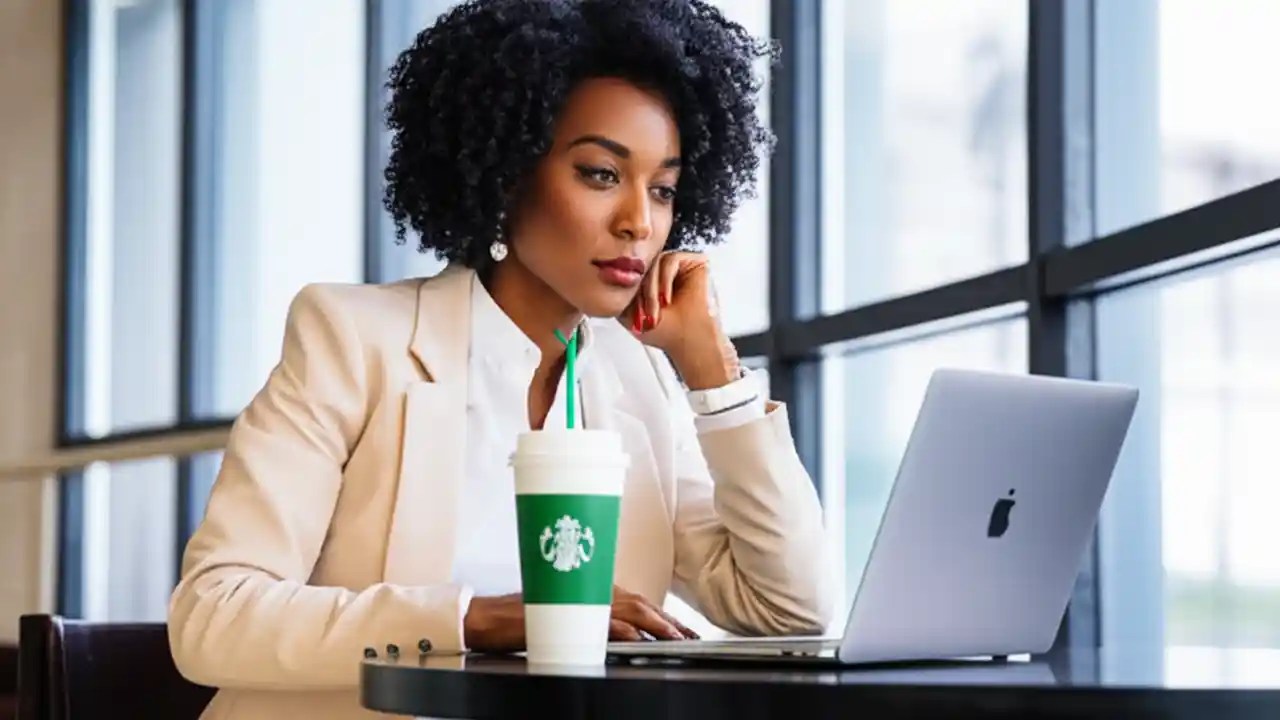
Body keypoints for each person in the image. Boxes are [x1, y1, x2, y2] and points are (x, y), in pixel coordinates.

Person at [167, 0, 833, 717]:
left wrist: (714, 374)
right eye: (601, 173)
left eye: (663, 188)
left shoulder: (637, 380)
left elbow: (788, 611)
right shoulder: (354, 340)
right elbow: (214, 616)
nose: (640, 221)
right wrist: (470, 620)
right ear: (507, 170)